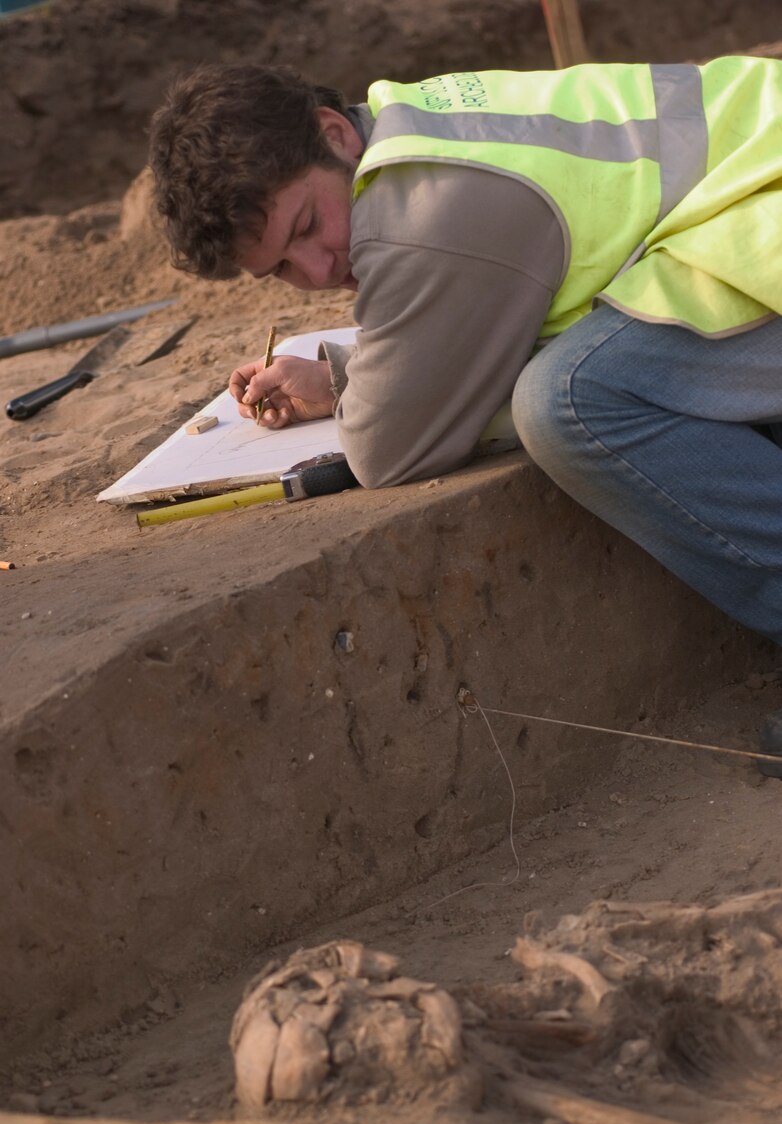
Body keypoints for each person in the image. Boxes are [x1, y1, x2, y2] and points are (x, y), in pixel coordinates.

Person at [149, 58, 782, 673]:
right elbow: (488, 311)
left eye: (308, 224)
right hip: (754, 200)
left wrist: (377, 383)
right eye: (282, 268)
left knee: (569, 400)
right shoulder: (407, 125)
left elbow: (387, 450)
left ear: (334, 134)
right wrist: (341, 373)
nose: (316, 270)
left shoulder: (419, 209)